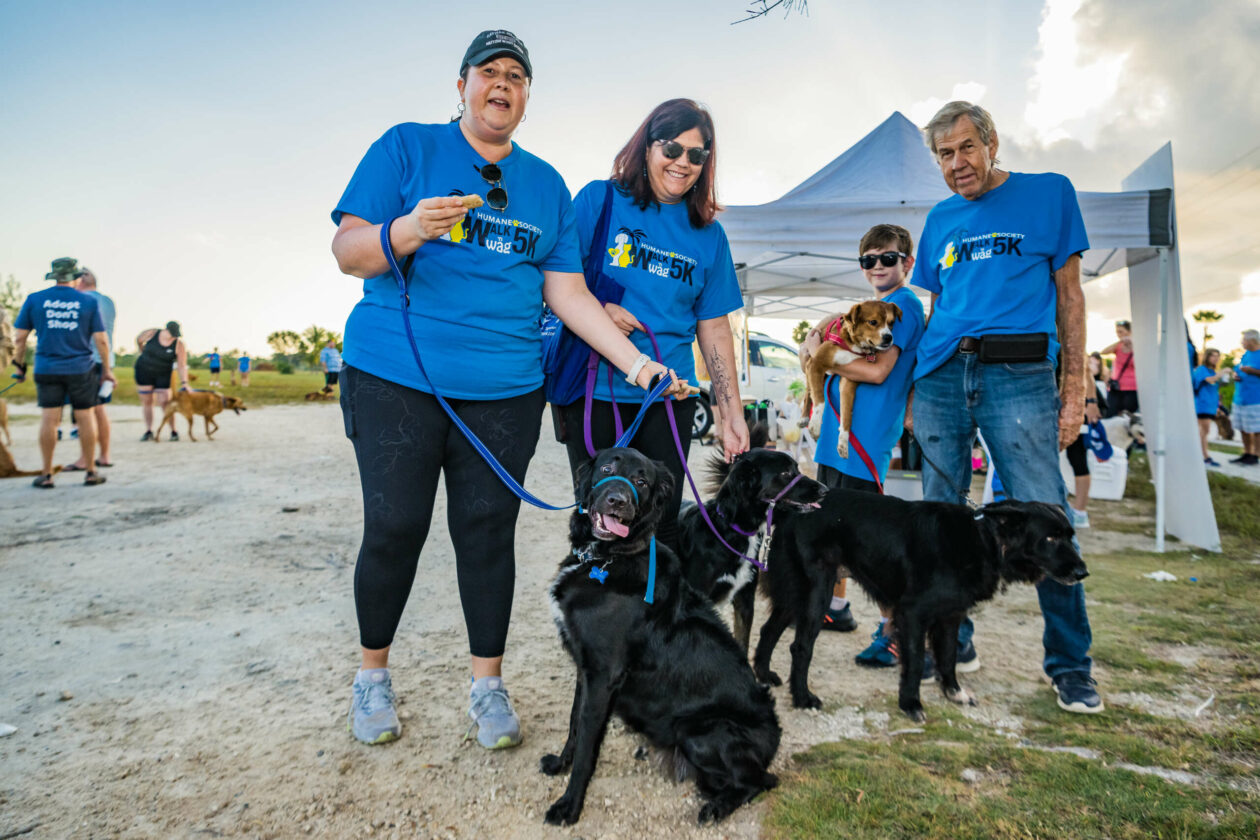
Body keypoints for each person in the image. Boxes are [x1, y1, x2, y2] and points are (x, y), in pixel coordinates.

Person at [329, 30, 684, 750]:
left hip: (506, 389)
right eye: (488, 71)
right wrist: (405, 229)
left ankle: (486, 686)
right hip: (396, 375)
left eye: (516, 75)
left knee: (487, 534)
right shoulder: (406, 148)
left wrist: (637, 364)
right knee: (396, 527)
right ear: (460, 86)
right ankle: (372, 676)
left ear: (526, 97)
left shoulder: (546, 186)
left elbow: (570, 293)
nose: (502, 83)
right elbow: (347, 251)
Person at [908, 101, 1101, 714]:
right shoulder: (939, 219)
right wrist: (914, 384)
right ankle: (952, 642)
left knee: (1046, 511)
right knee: (941, 517)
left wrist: (1074, 385)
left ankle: (1069, 664)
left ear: (990, 142)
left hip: (1018, 371)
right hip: (941, 371)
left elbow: (1069, 296)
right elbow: (936, 309)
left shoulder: (1049, 194)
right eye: (944, 154)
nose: (957, 164)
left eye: (966, 148)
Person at [558, 98, 749, 554]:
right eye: (672, 149)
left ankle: (650, 623)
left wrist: (731, 413)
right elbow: (555, 283)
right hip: (595, 389)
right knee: (599, 520)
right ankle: (595, 622)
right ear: (647, 146)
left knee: (661, 526)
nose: (683, 163)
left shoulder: (708, 233)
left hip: (670, 396)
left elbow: (715, 329)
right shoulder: (598, 201)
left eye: (696, 155)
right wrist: (598, 308)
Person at [797, 224, 925, 660]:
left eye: (887, 258)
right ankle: (836, 606)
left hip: (865, 445)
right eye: (868, 260)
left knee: (868, 546)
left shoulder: (903, 305)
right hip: (836, 437)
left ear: (906, 262)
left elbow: (877, 372)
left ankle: (898, 631)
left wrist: (823, 360)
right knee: (830, 529)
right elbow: (825, 337)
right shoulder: (870, 308)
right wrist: (815, 347)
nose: (877, 267)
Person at [10, 257, 115, 487]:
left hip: (47, 367)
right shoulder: (87, 302)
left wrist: (19, 366)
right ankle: (90, 471)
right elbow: (101, 340)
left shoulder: (35, 299)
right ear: (75, 276)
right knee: (85, 416)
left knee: (49, 418)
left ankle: (47, 474)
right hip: (81, 368)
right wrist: (106, 371)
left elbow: (19, 337)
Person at [63, 267, 116, 470]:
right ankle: (104, 456)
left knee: (85, 412)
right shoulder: (108, 301)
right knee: (99, 409)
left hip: (86, 359)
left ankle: (85, 459)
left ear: (80, 281)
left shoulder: (82, 301)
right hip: (105, 359)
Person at [1065, 358, 1104, 527]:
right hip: (1053, 400)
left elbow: (1085, 371)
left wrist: (1092, 402)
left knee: (1077, 457)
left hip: (1077, 404)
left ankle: (1080, 512)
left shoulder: (1070, 340)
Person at [134, 321, 189, 441]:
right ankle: (148, 431)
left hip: (163, 373)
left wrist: (185, 383)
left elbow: (182, 365)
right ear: (166, 330)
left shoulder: (178, 344)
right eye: (172, 334)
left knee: (165, 402)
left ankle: (173, 431)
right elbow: (139, 339)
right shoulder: (152, 333)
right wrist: (142, 350)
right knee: (147, 402)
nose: (174, 336)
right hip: (144, 370)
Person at [1232, 329, 1260, 465]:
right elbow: (1238, 368)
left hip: (1255, 400)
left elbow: (1251, 371)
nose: (1242, 342)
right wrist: (1234, 375)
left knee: (1256, 429)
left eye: (1244, 340)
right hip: (1240, 399)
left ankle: (1255, 455)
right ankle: (1247, 453)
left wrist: (1252, 371)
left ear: (1252, 341)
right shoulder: (1245, 355)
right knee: (1242, 428)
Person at [1193, 348, 1222, 467]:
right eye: (1213, 356)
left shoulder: (1212, 371)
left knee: (1205, 431)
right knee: (1203, 431)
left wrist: (1218, 406)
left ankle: (1202, 455)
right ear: (1207, 357)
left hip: (1210, 406)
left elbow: (1214, 389)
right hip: (1201, 405)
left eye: (1217, 356)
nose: (1215, 358)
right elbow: (1210, 381)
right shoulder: (1202, 370)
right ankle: (1205, 456)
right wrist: (1222, 372)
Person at [1101, 320, 1137, 417]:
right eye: (1117, 332)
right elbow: (1103, 352)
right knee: (1110, 415)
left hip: (1132, 388)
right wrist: (1119, 341)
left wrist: (1132, 345)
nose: (1118, 334)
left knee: (1128, 417)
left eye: (1121, 331)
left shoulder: (1137, 347)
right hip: (1116, 387)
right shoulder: (1118, 346)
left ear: (1129, 331)